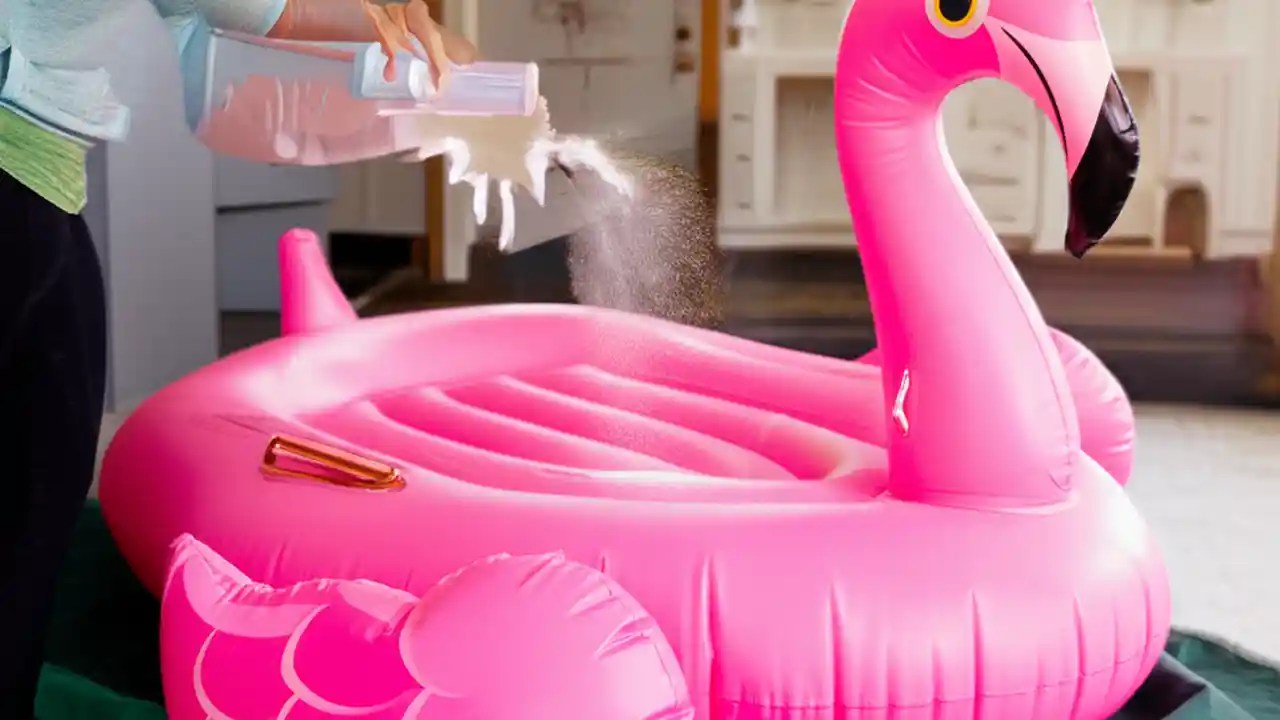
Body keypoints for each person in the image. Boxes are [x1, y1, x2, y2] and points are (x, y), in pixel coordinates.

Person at [0, 1, 475, 716]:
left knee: (47, 463)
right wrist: (419, 42)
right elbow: (268, 10)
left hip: (39, 171)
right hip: (16, 171)